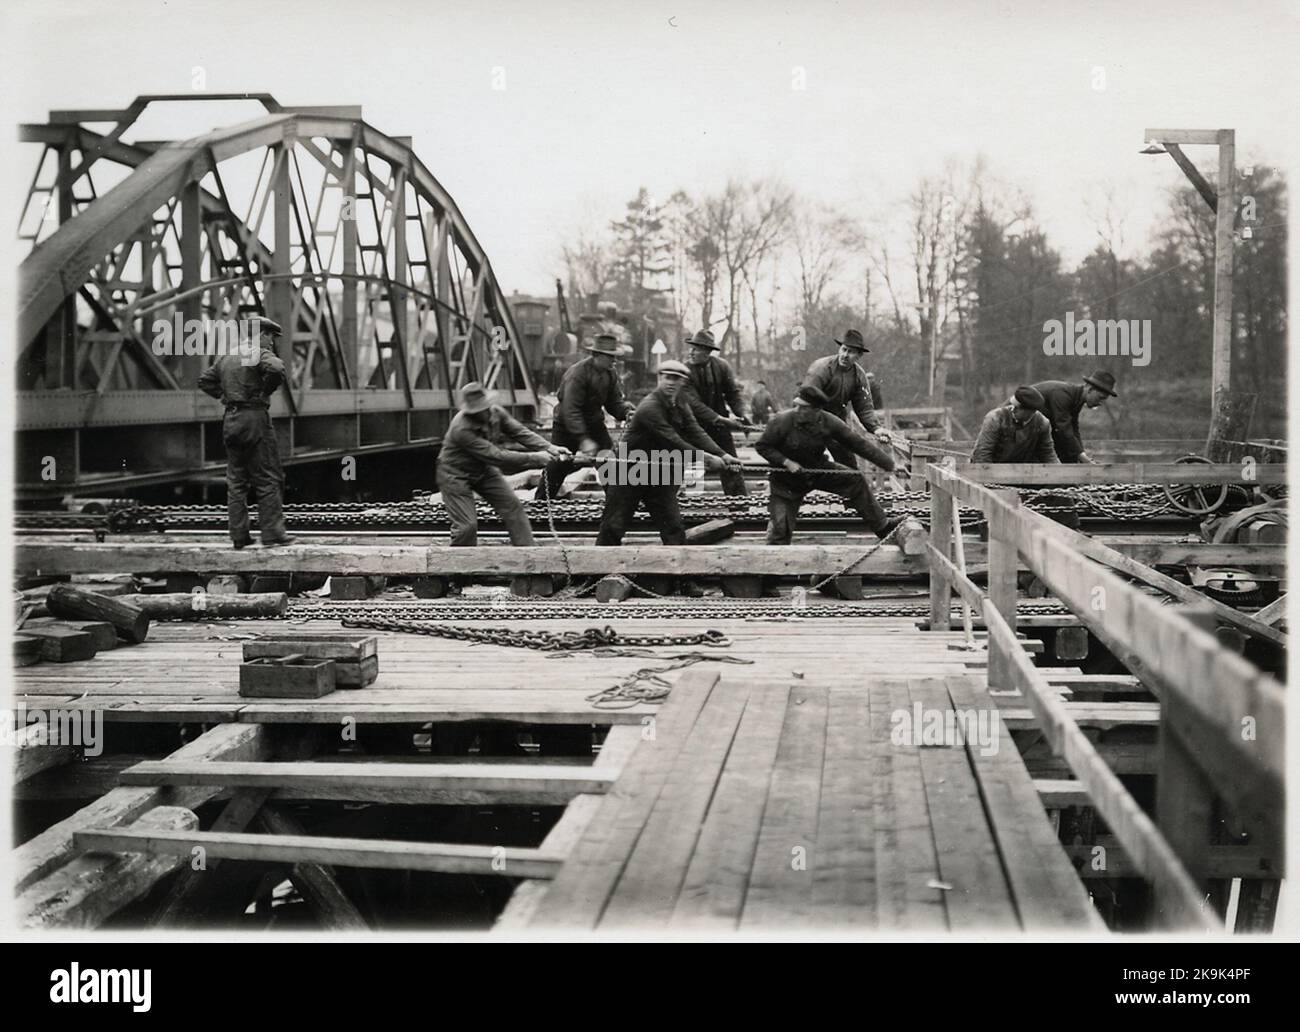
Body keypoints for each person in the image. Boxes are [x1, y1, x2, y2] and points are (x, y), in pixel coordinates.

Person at [595, 361, 742, 593]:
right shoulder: (649, 407)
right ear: (659, 378)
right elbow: (673, 440)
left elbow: (695, 431)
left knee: (673, 527)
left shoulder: (680, 402)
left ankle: (682, 580)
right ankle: (593, 576)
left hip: (660, 472)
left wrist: (722, 454)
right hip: (629, 472)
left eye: (677, 379)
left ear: (683, 382)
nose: (671, 383)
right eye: (667, 378)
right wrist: (706, 458)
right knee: (614, 525)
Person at [756, 384, 904, 544]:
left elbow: (859, 444)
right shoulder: (781, 420)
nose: (798, 410)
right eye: (797, 405)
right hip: (785, 481)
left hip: (818, 470)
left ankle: (883, 528)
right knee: (780, 533)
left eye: (804, 408)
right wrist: (786, 462)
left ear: (816, 410)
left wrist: (891, 466)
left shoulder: (830, 422)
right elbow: (762, 446)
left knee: (855, 480)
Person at [198, 316, 294, 548]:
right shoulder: (257, 352)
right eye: (270, 336)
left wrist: (224, 397)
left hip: (231, 419)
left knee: (236, 480)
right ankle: (272, 534)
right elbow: (277, 368)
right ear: (260, 334)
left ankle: (239, 536)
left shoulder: (228, 355)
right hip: (254, 418)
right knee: (268, 476)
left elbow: (205, 381)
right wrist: (265, 389)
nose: (271, 342)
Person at [437, 382, 570, 546]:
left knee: (513, 508)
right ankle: (459, 565)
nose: (485, 412)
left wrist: (550, 447)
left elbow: (519, 432)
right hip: (455, 475)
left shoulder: (495, 412)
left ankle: (527, 555)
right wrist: (536, 458)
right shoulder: (461, 429)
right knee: (466, 527)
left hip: (483, 470)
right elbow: (497, 456)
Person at [539, 333, 634, 498]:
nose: (614, 361)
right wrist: (583, 439)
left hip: (594, 424)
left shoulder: (610, 374)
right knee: (559, 465)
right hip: (567, 427)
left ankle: (616, 506)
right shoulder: (577, 374)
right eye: (611, 357)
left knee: (609, 465)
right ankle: (539, 505)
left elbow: (614, 403)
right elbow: (571, 410)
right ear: (598, 355)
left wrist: (626, 412)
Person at [803, 328, 893, 468]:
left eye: (851, 352)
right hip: (811, 418)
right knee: (804, 464)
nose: (845, 355)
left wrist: (876, 429)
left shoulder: (859, 376)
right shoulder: (821, 368)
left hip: (836, 421)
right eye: (844, 349)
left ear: (859, 355)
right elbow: (805, 400)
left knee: (849, 467)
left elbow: (864, 409)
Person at [681, 328, 751, 495]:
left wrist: (742, 414)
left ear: (707, 351)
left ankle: (739, 508)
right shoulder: (684, 371)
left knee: (731, 465)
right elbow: (694, 404)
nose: (691, 352)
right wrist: (721, 419)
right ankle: (691, 505)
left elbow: (733, 393)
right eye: (691, 348)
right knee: (693, 464)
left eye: (695, 349)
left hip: (720, 427)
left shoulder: (722, 366)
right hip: (693, 426)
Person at [1031, 371, 1117, 464]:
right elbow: (1063, 428)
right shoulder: (1063, 395)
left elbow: (1073, 429)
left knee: (1070, 455)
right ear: (1090, 390)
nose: (1101, 403)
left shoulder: (1077, 398)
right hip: (1022, 428)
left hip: (1039, 428)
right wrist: (1081, 456)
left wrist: (1082, 455)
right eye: (1100, 397)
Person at [971, 386, 1060, 463]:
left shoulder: (1041, 424)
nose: (1013, 410)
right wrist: (988, 479)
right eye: (1013, 406)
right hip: (993, 470)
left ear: (1031, 412)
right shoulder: (996, 418)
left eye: (1018, 408)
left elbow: (1048, 453)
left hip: (1022, 473)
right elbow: (983, 453)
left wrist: (1060, 476)